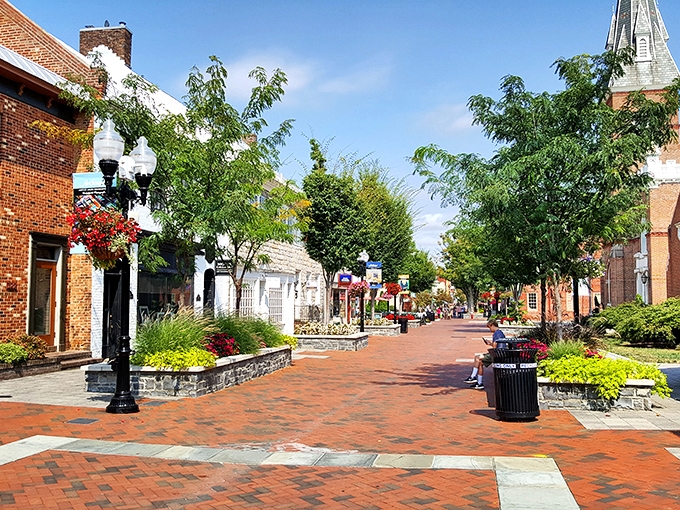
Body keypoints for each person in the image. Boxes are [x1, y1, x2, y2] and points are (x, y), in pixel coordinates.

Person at [463, 319, 507, 390]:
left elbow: (495, 346)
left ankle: (473, 376)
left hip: (497, 354)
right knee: (480, 363)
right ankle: (479, 383)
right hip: (500, 353)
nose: (490, 329)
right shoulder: (500, 333)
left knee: (477, 357)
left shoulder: (496, 333)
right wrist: (489, 343)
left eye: (489, 327)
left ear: (493, 325)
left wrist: (490, 346)